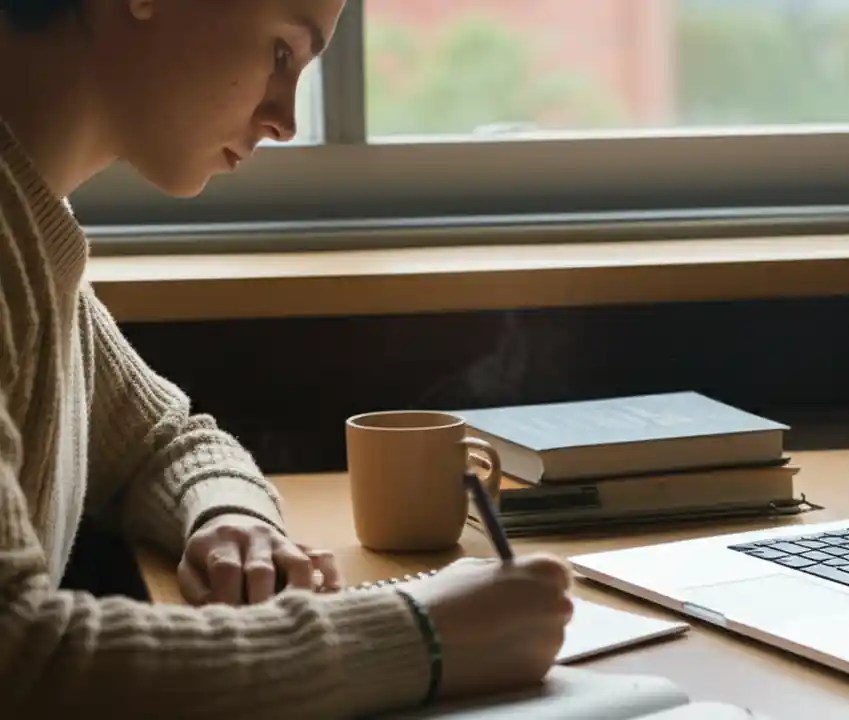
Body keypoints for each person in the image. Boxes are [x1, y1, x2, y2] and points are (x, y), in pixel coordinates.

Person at [0, 1, 573, 717]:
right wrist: (418, 634)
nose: (285, 121)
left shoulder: (29, 228)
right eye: (281, 53)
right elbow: (18, 655)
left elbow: (161, 442)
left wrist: (229, 517)